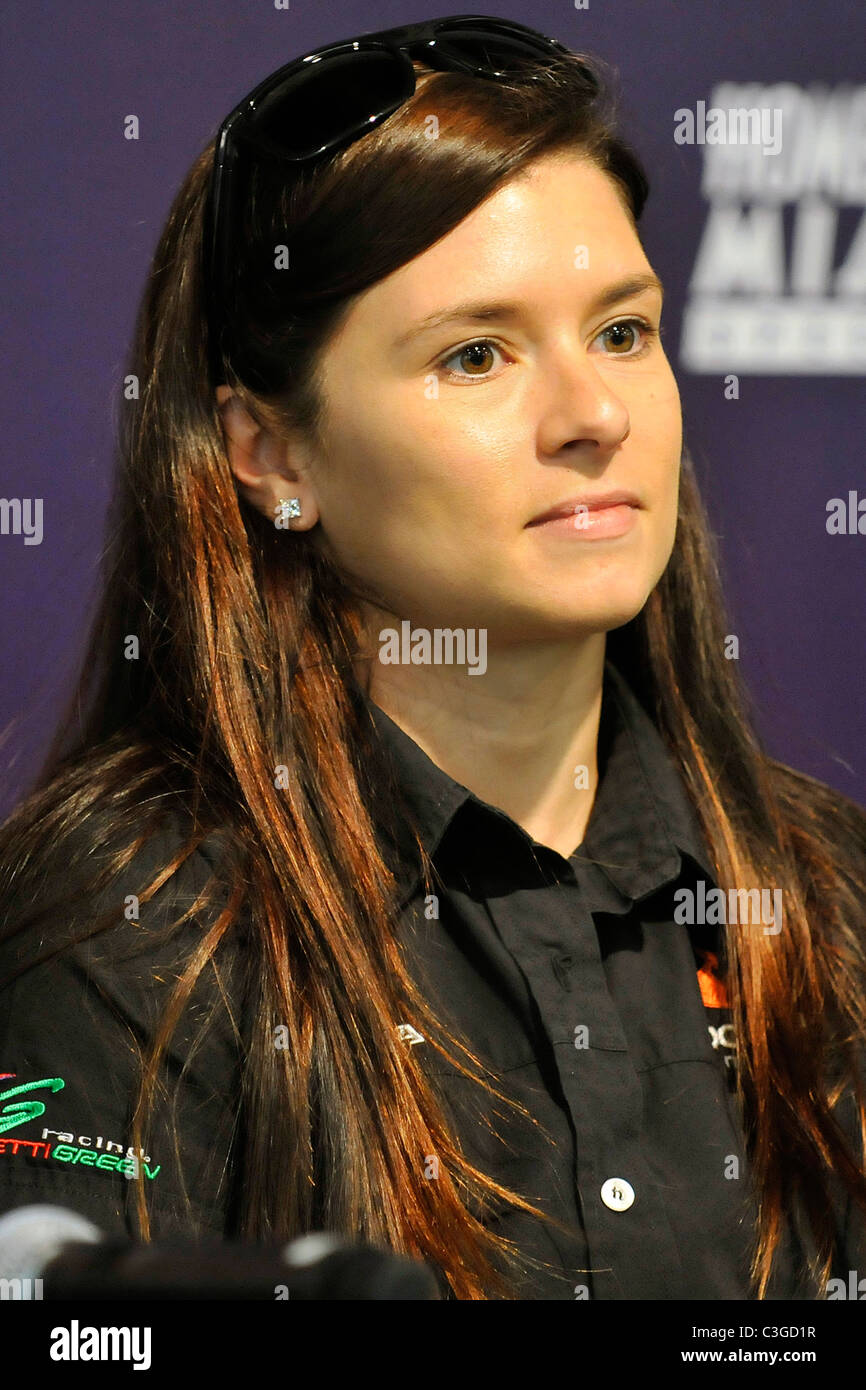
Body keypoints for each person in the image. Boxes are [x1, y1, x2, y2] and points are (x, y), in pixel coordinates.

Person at [1, 14, 865, 1302]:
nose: (596, 417)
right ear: (272, 455)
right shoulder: (134, 923)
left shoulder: (827, 896)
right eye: (477, 356)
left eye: (623, 331)